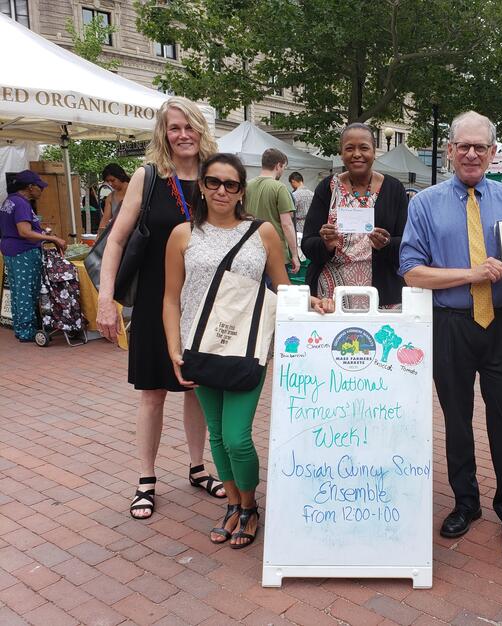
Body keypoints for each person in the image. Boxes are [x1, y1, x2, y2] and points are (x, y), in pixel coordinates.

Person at [162, 153, 333, 548]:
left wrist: (312, 301)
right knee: (218, 436)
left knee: (237, 436)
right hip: (199, 345)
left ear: (242, 189)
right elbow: (171, 298)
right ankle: (233, 505)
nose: (222, 190)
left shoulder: (263, 233)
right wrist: (174, 348)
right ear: (201, 186)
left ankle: (251, 505)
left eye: (231, 184)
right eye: (213, 182)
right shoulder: (183, 234)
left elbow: (281, 284)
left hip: (248, 344)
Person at [399, 111, 502, 559]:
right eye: (463, 146)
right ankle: (466, 502)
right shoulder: (424, 204)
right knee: (457, 421)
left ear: (494, 153)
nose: (471, 153)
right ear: (450, 150)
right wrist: (472, 274)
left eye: (481, 146)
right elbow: (411, 273)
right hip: (451, 325)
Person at [96, 97, 225, 519]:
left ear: (201, 130)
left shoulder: (215, 178)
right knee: (152, 393)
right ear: (163, 134)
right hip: (156, 301)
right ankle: (146, 479)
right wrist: (105, 298)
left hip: (202, 302)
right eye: (174, 128)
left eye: (189, 126)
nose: (183, 134)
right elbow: (115, 240)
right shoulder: (148, 176)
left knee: (197, 389)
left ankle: (196, 467)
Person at [302, 123, 408, 309]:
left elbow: (408, 244)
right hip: (331, 298)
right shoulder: (327, 188)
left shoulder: (394, 189)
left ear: (374, 152)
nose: (357, 154)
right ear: (342, 154)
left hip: (382, 296)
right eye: (349, 148)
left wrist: (386, 244)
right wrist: (325, 244)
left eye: (364, 148)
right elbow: (308, 244)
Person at [0, 170, 66, 342]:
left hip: (12, 250)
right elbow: (24, 232)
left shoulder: (10, 200)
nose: (41, 191)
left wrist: (41, 232)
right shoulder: (21, 203)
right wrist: (53, 238)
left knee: (17, 290)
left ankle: (21, 327)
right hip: (23, 251)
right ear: (30, 187)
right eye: (39, 187)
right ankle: (27, 330)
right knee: (26, 291)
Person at [245, 149, 300, 275]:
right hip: (275, 252)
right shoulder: (279, 188)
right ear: (278, 165)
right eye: (283, 167)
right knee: (276, 293)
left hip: (250, 250)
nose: (283, 171)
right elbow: (287, 224)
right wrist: (295, 255)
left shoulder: (247, 186)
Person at [98, 163, 131, 236]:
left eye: (113, 180)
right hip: (118, 236)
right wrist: (98, 241)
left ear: (120, 176)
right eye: (107, 181)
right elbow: (105, 221)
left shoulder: (134, 190)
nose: (110, 183)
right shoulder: (110, 197)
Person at [288, 171, 314, 235]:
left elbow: (291, 214)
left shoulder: (294, 195)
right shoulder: (312, 194)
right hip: (310, 225)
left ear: (293, 181)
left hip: (298, 226)